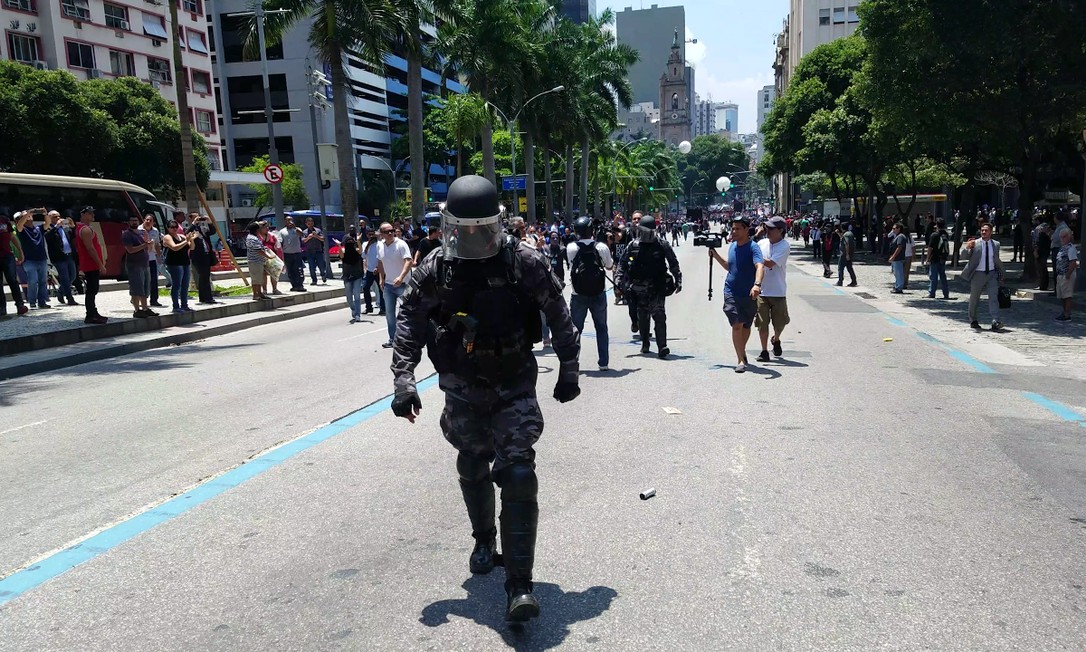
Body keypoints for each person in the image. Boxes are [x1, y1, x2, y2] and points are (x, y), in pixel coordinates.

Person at [389, 175, 580, 623]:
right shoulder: (436, 267)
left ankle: (520, 585)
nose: (473, 238)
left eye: (482, 229)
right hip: (461, 386)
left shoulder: (523, 261)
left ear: (495, 223)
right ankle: (482, 540)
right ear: (450, 225)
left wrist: (569, 369)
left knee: (516, 472)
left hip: (513, 383)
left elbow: (558, 311)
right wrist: (404, 380)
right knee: (472, 460)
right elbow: (409, 321)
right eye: (465, 229)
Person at [709, 216, 765, 373]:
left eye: (738, 228)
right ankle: (740, 359)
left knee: (746, 325)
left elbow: (760, 266)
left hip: (749, 293)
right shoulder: (732, 246)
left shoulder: (753, 248)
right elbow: (729, 266)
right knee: (737, 324)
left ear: (747, 229)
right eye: (733, 228)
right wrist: (715, 255)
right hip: (731, 291)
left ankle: (742, 350)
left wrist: (757, 285)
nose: (734, 231)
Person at [621, 214, 681, 359]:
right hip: (638, 288)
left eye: (650, 231)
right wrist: (619, 280)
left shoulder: (662, 244)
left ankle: (662, 346)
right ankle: (645, 343)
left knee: (659, 316)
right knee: (642, 317)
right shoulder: (633, 245)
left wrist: (678, 278)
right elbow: (622, 264)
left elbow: (673, 262)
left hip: (657, 287)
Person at [567, 216, 613, 371]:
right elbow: (609, 266)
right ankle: (604, 362)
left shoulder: (571, 247)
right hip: (599, 293)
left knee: (575, 330)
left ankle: (573, 361)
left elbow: (570, 265)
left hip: (578, 294)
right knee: (601, 328)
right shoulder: (601, 247)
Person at [755, 216, 790, 362]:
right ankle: (764, 351)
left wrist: (756, 258)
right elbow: (747, 249)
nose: (767, 231)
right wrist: (756, 235)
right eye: (766, 228)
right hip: (762, 291)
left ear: (780, 230)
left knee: (780, 323)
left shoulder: (784, 246)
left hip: (778, 291)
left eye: (771, 228)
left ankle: (776, 338)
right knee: (762, 323)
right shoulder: (762, 243)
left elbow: (770, 263)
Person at [961, 223, 1005, 332]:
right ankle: (973, 320)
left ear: (991, 232)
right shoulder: (975, 243)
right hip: (978, 274)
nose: (983, 232)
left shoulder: (996, 244)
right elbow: (964, 256)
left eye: (986, 230)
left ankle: (996, 320)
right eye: (982, 230)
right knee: (974, 298)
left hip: (991, 274)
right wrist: (967, 248)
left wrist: (1001, 274)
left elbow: (996, 259)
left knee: (993, 298)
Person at [376, 221, 413, 348]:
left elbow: (408, 261)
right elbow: (380, 262)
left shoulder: (401, 244)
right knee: (389, 314)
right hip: (388, 285)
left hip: (403, 284)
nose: (391, 233)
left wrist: (401, 276)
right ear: (381, 234)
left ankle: (409, 338)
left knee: (406, 313)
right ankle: (393, 339)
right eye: (387, 232)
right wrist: (381, 278)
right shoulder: (380, 245)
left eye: (392, 230)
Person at [74, 207, 108, 324]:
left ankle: (93, 312)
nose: (92, 215)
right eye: (89, 213)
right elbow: (90, 249)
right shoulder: (85, 230)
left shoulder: (85, 228)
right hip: (90, 264)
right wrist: (100, 264)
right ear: (83, 215)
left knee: (93, 289)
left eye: (93, 212)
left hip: (91, 263)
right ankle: (90, 315)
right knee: (92, 290)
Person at [121, 214, 157, 317]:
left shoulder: (142, 233)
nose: (134, 222)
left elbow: (148, 249)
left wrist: (148, 244)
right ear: (128, 223)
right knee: (136, 287)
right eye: (132, 220)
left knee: (145, 288)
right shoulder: (127, 234)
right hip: (134, 265)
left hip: (145, 264)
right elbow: (130, 250)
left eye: (136, 220)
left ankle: (145, 308)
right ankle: (137, 310)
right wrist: (145, 245)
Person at [14, 209, 50, 309]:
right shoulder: (21, 229)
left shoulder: (38, 228)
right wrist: (26, 214)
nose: (29, 216)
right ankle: (32, 301)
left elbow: (48, 223)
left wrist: (44, 213)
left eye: (30, 215)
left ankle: (42, 302)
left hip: (42, 258)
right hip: (29, 260)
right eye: (26, 216)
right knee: (32, 281)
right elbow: (20, 225)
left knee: (43, 281)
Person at [45, 210, 79, 306]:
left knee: (72, 276)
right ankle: (70, 298)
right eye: (55, 217)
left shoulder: (65, 228)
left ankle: (60, 292)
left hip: (69, 255)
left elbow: (73, 236)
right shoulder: (48, 228)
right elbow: (48, 237)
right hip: (59, 258)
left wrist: (72, 226)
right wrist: (56, 227)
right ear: (50, 218)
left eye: (59, 216)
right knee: (65, 278)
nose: (58, 218)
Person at [0, 211, 29, 318]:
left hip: (7, 255)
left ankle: (20, 305)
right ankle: (2, 308)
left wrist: (20, 251)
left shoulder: (4, 220)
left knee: (12, 280)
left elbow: (12, 237)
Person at [162, 220, 194, 313]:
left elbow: (192, 247)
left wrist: (191, 239)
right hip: (174, 263)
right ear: (168, 228)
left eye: (176, 227)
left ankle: (185, 305)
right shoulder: (167, 237)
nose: (174, 229)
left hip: (185, 262)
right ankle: (175, 306)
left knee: (185, 285)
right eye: (172, 227)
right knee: (176, 285)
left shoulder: (182, 236)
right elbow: (175, 247)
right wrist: (186, 241)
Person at [187, 213, 218, 305]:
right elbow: (187, 234)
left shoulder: (202, 229)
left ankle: (203, 297)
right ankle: (208, 297)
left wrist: (209, 222)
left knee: (204, 277)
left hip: (206, 255)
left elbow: (212, 231)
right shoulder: (191, 229)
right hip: (198, 256)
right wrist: (193, 223)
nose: (199, 219)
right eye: (196, 217)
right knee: (204, 276)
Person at [138, 214, 164, 307]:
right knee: (141, 280)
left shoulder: (155, 231)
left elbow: (157, 244)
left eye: (150, 220)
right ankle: (137, 299)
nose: (148, 222)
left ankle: (154, 300)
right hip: (141, 258)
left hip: (152, 258)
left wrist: (159, 256)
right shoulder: (138, 230)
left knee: (153, 280)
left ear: (153, 222)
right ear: (144, 220)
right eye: (147, 220)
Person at [341, 225, 365, 323]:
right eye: (348, 242)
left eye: (352, 242)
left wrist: (358, 241)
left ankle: (358, 314)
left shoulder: (357, 250)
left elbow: (361, 250)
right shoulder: (344, 252)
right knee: (349, 297)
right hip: (347, 275)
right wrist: (339, 245)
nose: (350, 243)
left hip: (357, 275)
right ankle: (353, 308)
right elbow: (341, 254)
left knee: (357, 295)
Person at [245, 221, 273, 301]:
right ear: (256, 230)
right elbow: (258, 251)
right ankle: (255, 294)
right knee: (255, 279)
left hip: (258, 261)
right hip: (255, 261)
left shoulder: (254, 237)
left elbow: (259, 248)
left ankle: (260, 293)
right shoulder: (252, 238)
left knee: (259, 278)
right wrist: (268, 256)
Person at [1054, 227, 1078, 322]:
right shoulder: (1062, 248)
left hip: (1066, 275)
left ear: (1069, 237)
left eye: (1064, 237)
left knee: (1067, 295)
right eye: (1061, 237)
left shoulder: (1071, 248)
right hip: (1060, 274)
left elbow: (1073, 262)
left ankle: (1067, 314)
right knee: (1061, 295)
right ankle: (1064, 312)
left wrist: (1068, 274)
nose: (1062, 239)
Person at [925, 218, 951, 299]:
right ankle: (946, 293)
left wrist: (927, 259)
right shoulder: (945, 234)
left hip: (934, 258)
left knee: (933, 277)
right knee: (943, 276)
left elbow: (930, 248)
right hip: (942, 258)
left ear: (936, 225)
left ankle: (932, 293)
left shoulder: (934, 235)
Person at [278, 216, 306, 292]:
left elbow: (301, 234)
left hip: (297, 253)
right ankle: (294, 285)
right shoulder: (282, 231)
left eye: (291, 220)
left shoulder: (297, 229)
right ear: (285, 222)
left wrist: (295, 227)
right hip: (287, 254)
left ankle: (300, 285)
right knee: (290, 271)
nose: (289, 222)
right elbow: (280, 242)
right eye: (287, 220)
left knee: (299, 270)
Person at [302, 217, 327, 285]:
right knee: (312, 267)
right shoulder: (304, 232)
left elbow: (323, 239)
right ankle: (314, 280)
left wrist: (316, 236)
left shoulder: (318, 230)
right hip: (309, 252)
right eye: (308, 223)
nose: (310, 225)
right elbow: (303, 241)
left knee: (321, 266)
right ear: (306, 224)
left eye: (311, 223)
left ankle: (323, 275)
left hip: (318, 251)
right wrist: (308, 237)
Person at [261, 222, 283, 295]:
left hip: (272, 258)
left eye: (268, 227)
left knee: (274, 273)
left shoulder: (273, 236)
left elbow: (278, 248)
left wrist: (280, 259)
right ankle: (264, 290)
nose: (267, 228)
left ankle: (275, 289)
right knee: (263, 274)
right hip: (261, 258)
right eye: (265, 227)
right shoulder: (257, 237)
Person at [887, 223, 907, 294]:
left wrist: (893, 256)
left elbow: (899, 247)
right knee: (896, 272)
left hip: (898, 258)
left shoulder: (900, 237)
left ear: (899, 229)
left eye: (894, 228)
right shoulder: (897, 236)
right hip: (896, 258)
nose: (893, 230)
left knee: (899, 273)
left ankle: (899, 287)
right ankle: (897, 285)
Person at [835, 222, 858, 287]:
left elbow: (846, 244)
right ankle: (854, 281)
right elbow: (843, 239)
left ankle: (840, 281)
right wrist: (839, 234)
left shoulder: (846, 235)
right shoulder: (850, 233)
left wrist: (847, 254)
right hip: (850, 254)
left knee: (840, 268)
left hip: (844, 254)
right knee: (849, 268)